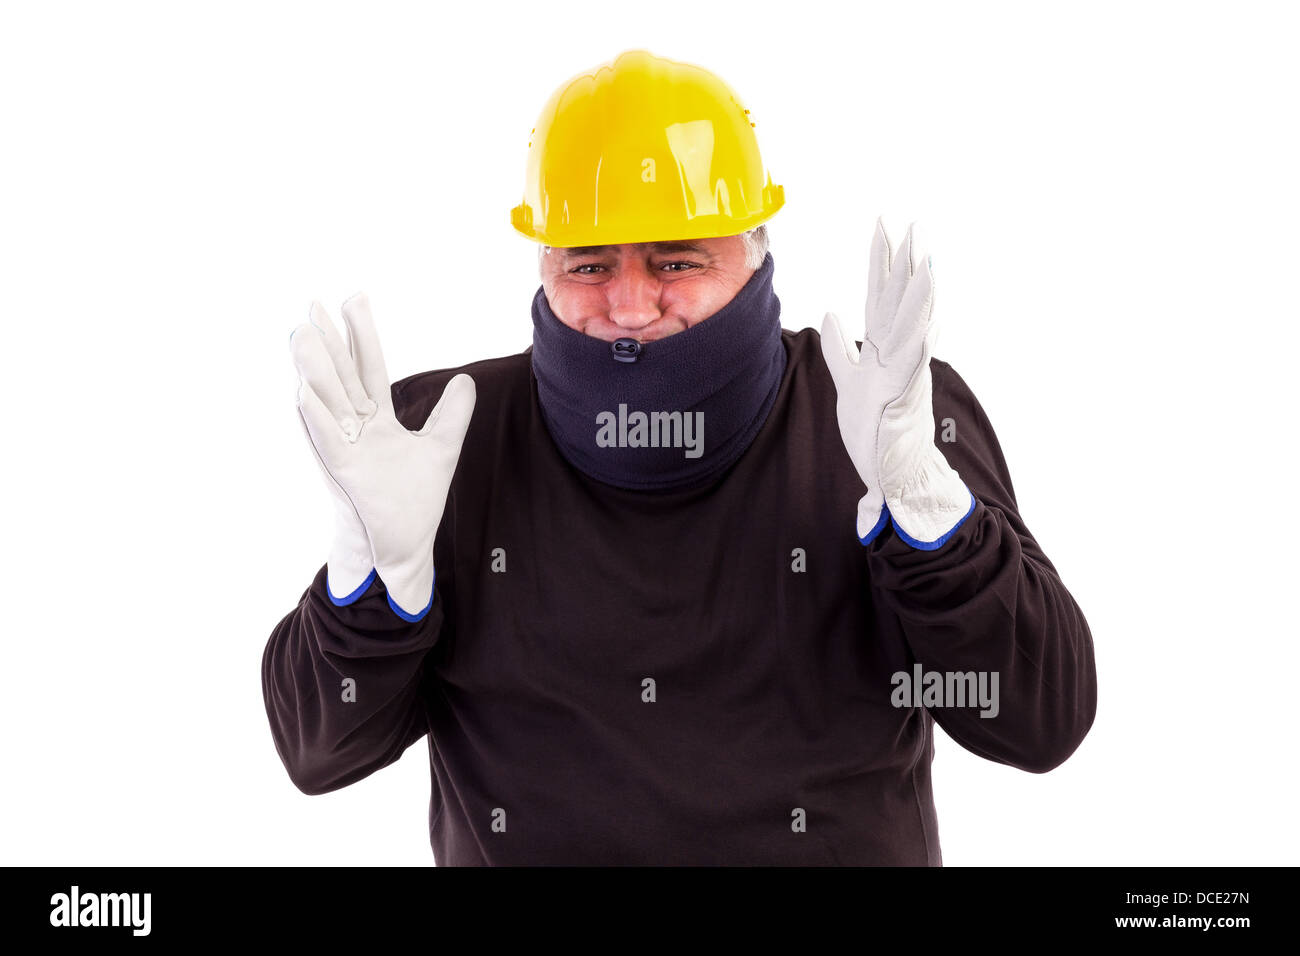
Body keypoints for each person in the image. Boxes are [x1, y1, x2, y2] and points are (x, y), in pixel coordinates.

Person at [262, 49, 1097, 866]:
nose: (630, 304)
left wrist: (927, 512)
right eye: (590, 263)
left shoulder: (885, 419)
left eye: (676, 260)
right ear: (544, 266)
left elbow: (1040, 720)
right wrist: (370, 581)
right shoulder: (439, 442)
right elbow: (319, 752)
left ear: (755, 253)